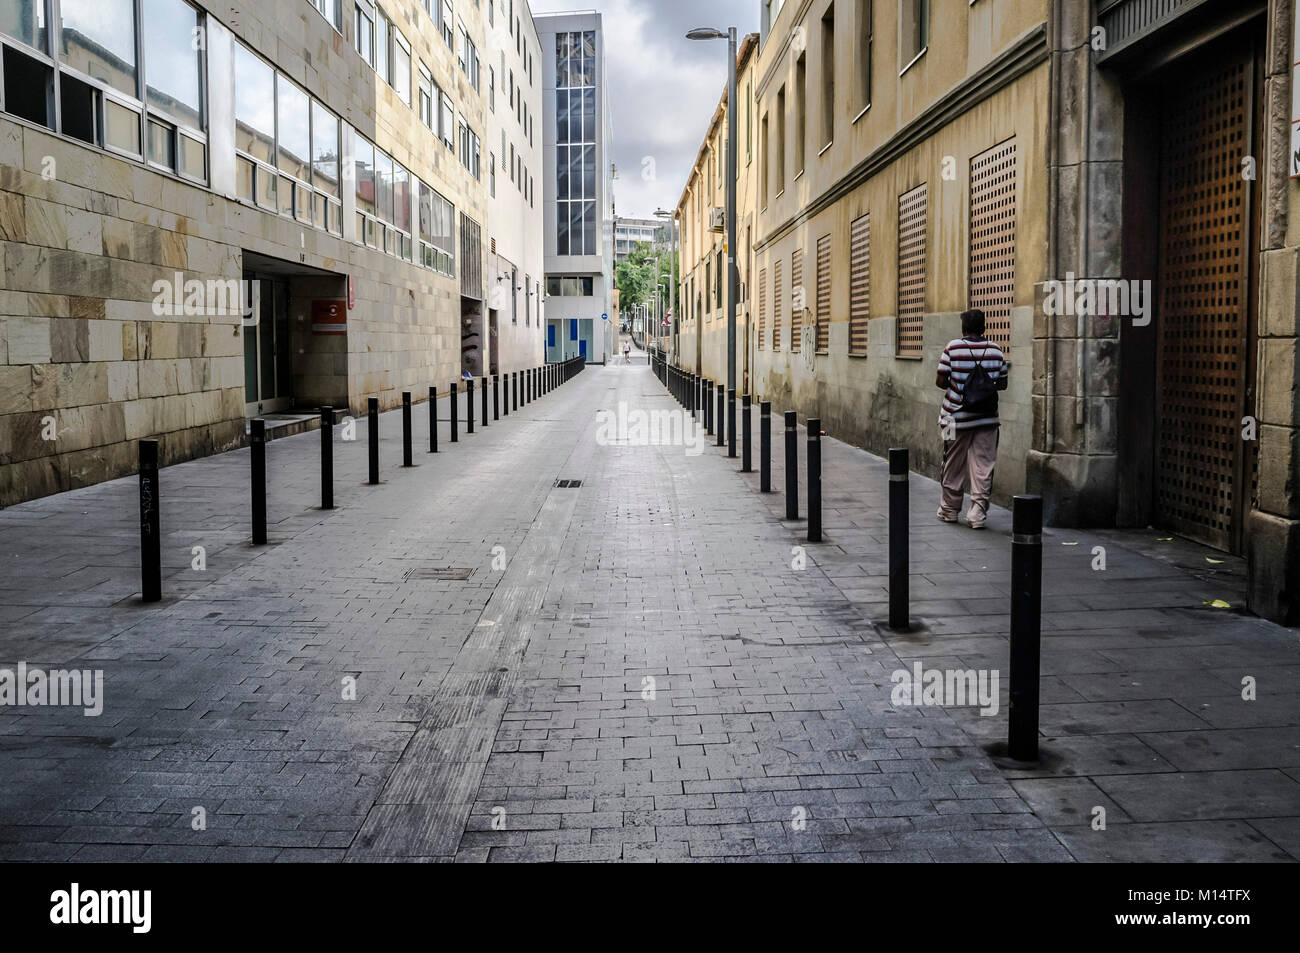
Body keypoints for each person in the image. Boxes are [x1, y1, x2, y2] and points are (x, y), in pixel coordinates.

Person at [935, 308, 1009, 529]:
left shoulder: (953, 347)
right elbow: (1003, 384)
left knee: (951, 463)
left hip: (953, 418)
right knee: (984, 466)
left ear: (963, 328)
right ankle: (977, 514)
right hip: (987, 419)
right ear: (984, 327)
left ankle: (949, 510)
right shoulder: (996, 351)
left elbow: (940, 381)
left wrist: (958, 387)